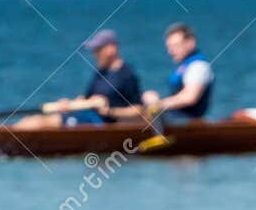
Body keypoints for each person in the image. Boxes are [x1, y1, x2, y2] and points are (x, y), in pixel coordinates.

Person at [14, 30, 144, 130]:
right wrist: (69, 104)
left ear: (111, 49)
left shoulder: (127, 75)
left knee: (40, 123)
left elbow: (138, 110)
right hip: (86, 115)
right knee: (32, 120)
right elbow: (86, 99)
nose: (94, 54)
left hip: (101, 122)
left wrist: (109, 111)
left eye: (97, 50)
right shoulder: (101, 72)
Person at [141, 22, 214, 119]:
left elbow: (189, 98)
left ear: (191, 43)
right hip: (177, 120)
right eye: (169, 47)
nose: (170, 51)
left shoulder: (198, 66)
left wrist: (157, 104)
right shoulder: (186, 66)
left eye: (175, 46)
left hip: (187, 124)